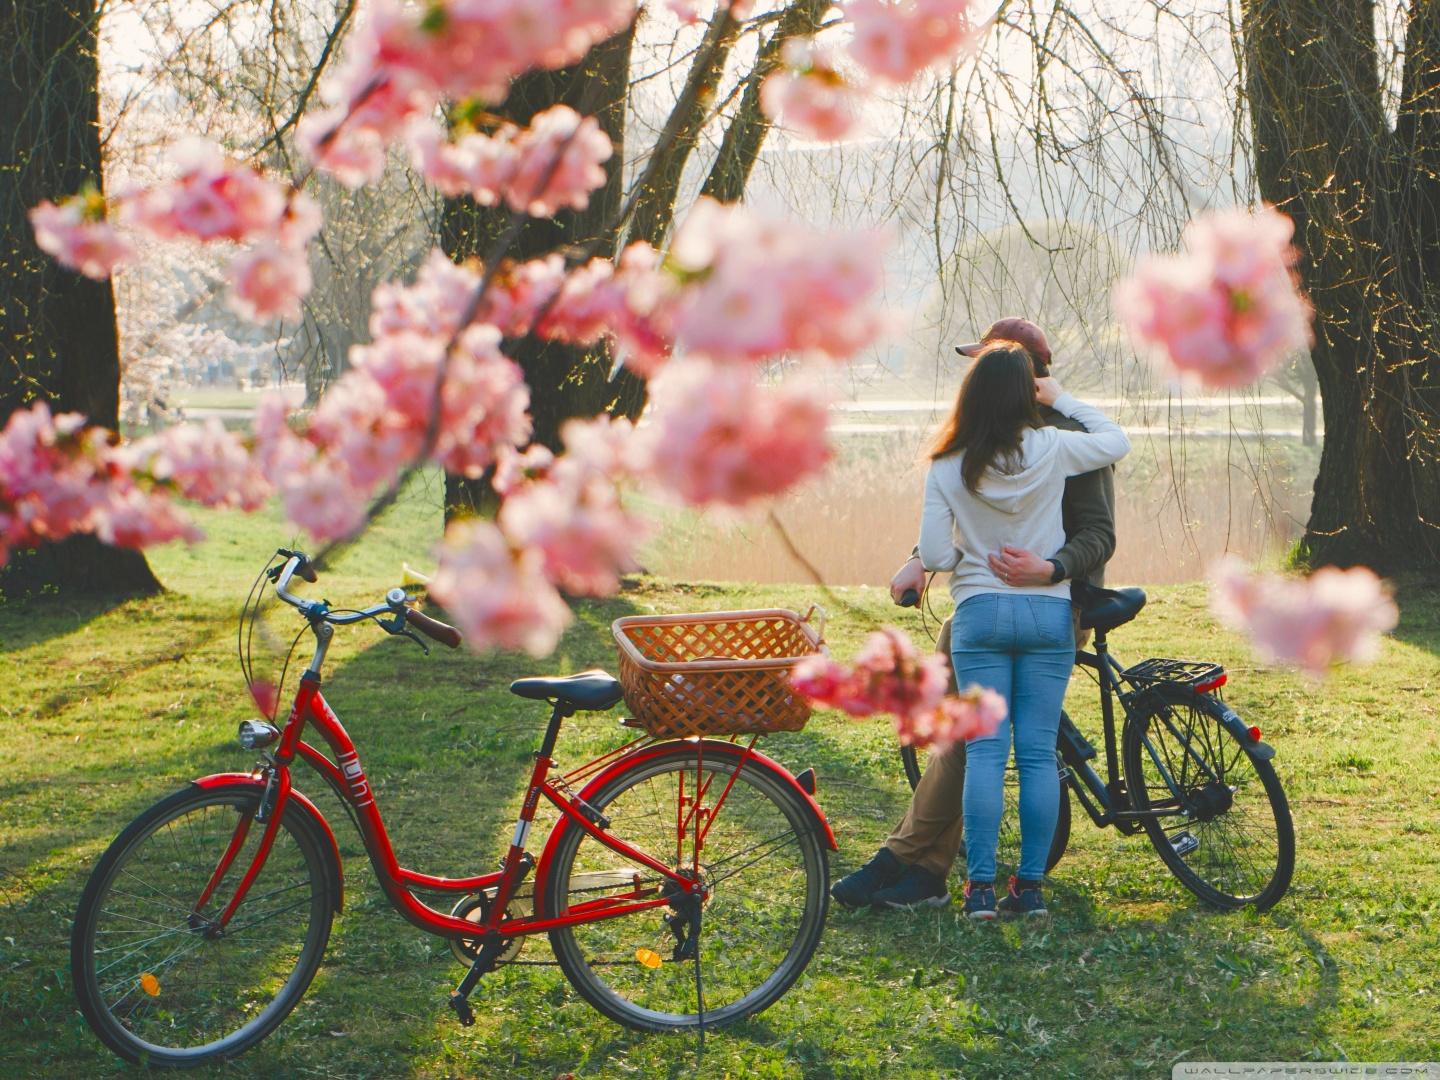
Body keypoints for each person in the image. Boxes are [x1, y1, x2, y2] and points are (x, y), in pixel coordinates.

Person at [832, 324, 1128, 917]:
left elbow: (1099, 535)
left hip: (1046, 598)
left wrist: (1049, 567)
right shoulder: (1054, 442)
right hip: (1031, 612)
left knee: (974, 741)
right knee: (997, 743)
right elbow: (944, 542)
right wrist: (919, 562)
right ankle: (951, 872)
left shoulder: (1060, 435)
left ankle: (926, 867)